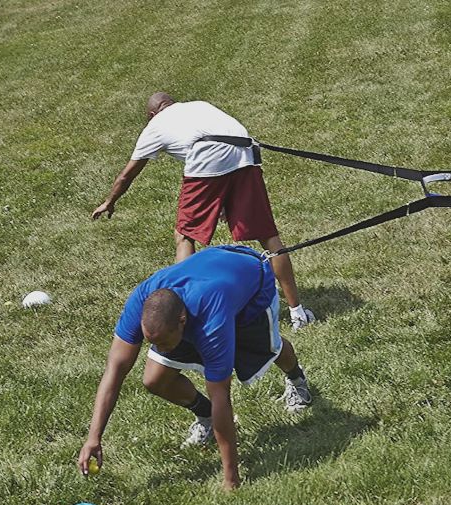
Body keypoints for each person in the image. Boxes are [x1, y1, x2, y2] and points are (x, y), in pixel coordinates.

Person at [76, 245, 313, 490]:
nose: (160, 348)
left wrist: (231, 480)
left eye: (164, 342)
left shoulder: (212, 321)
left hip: (251, 285)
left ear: (182, 322)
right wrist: (94, 437)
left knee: (267, 349)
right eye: (153, 342)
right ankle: (205, 415)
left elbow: (221, 394)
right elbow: (114, 370)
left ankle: (297, 379)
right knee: (155, 379)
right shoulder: (143, 301)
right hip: (204, 280)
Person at [91, 92, 316, 330]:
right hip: (245, 151)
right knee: (268, 236)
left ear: (151, 114)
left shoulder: (155, 126)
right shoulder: (198, 105)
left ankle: (184, 314)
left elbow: (128, 173)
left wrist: (110, 201)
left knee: (184, 235)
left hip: (209, 153)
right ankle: (298, 313)